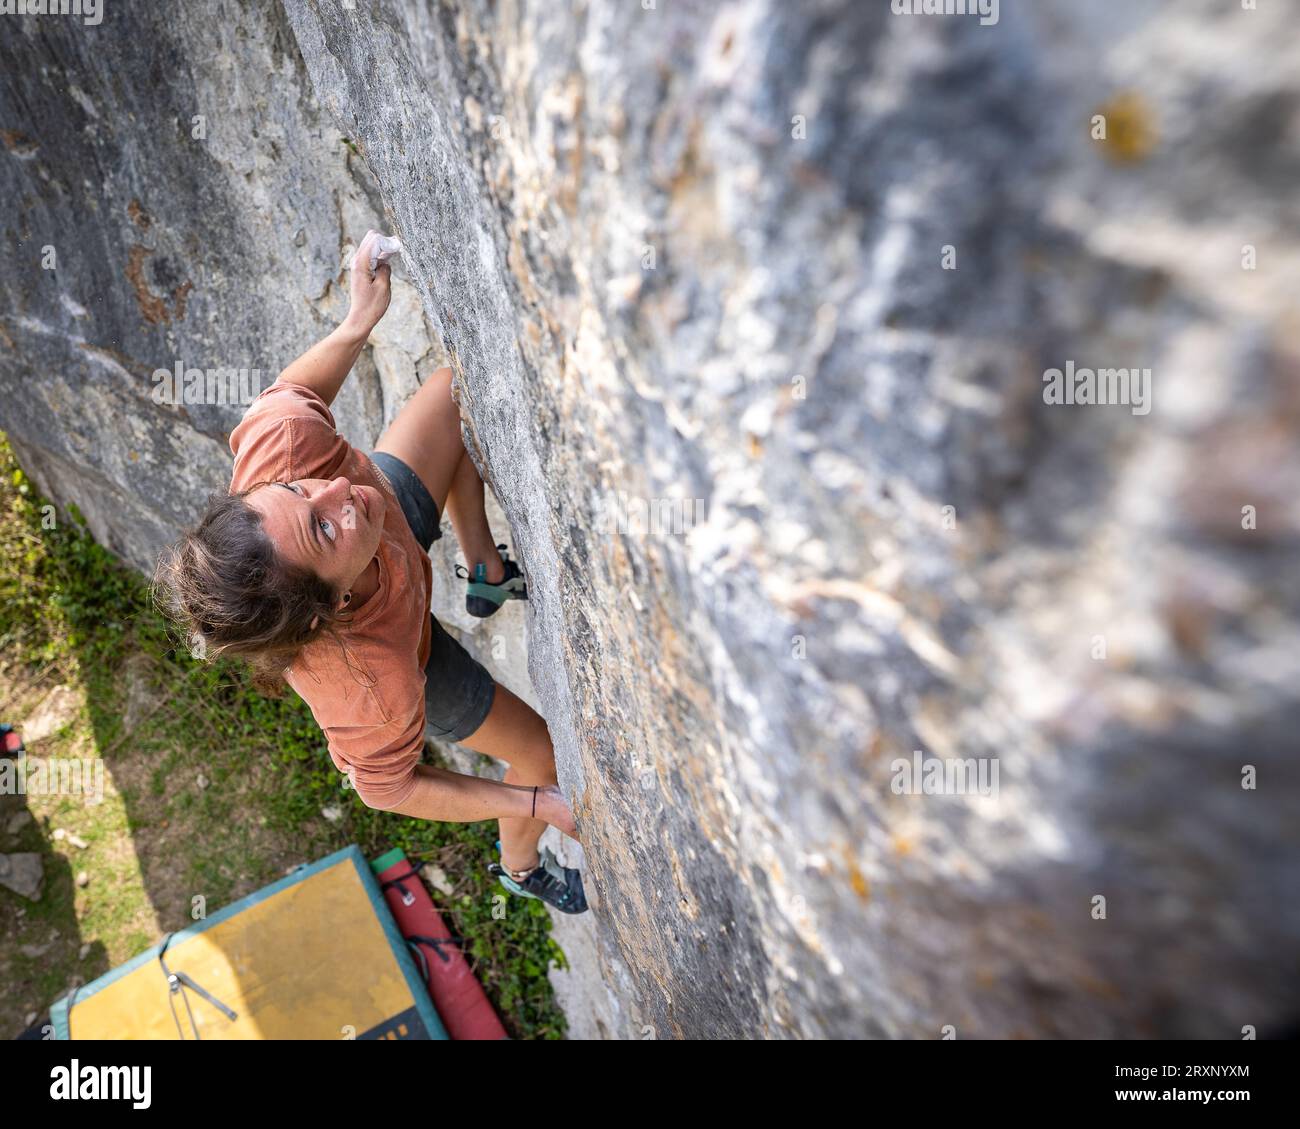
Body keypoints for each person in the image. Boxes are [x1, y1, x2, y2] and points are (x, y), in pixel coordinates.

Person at [153, 231, 586, 914]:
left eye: (300, 493)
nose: (335, 492)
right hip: (413, 650)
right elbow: (393, 787)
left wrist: (358, 320)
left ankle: (486, 571)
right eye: (320, 526)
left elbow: (295, 391)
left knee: (454, 397)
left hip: (390, 546)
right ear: (327, 604)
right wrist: (534, 803)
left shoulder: (288, 463)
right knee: (545, 758)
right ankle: (522, 866)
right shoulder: (372, 684)